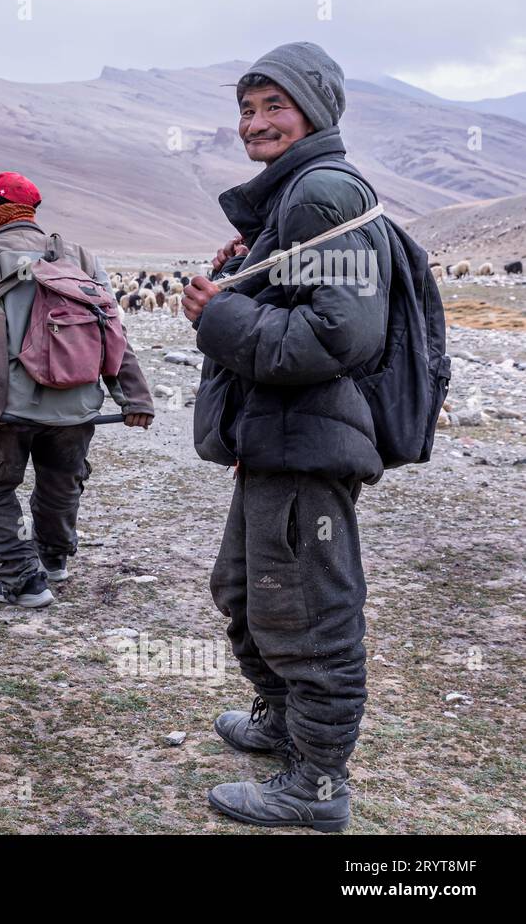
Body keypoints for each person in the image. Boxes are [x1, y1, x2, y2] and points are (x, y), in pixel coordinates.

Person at [182, 42, 390, 832]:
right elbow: (310, 304)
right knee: (247, 592)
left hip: (308, 444)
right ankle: (281, 723)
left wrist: (221, 314)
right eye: (246, 107)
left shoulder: (320, 196)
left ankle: (318, 786)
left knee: (308, 612)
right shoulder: (295, 199)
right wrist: (253, 273)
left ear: (317, 110)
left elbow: (343, 336)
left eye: (275, 106)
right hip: (277, 439)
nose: (254, 123)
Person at [0, 171, 154, 608]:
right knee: (61, 483)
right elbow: (113, 330)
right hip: (77, 403)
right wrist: (134, 397)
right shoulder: (79, 255)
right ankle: (53, 559)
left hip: (9, 405)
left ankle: (24, 581)